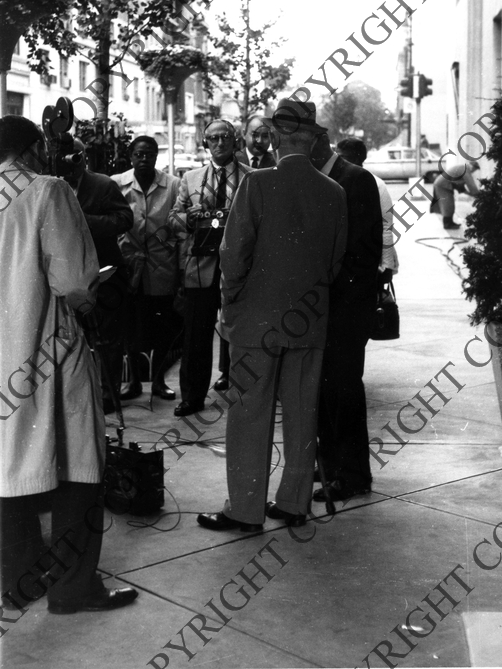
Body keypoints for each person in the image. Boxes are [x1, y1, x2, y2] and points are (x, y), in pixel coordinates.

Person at [0, 115, 137, 614]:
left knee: (8, 468)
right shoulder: (47, 191)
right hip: (46, 350)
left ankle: (20, 584)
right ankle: (73, 588)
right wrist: (88, 292)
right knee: (79, 466)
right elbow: (76, 278)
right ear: (35, 149)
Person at [196, 98, 347, 532]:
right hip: (309, 320)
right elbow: (335, 263)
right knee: (302, 411)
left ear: (277, 136)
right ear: (312, 139)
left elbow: (232, 253)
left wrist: (232, 303)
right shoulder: (333, 192)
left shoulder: (257, 183)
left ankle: (245, 510)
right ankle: (294, 503)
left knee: (249, 415)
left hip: (256, 323)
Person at [310, 132, 382, 502]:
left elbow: (360, 251)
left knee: (343, 389)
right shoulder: (316, 180)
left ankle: (351, 475)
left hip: (346, 310)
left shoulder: (355, 179)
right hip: (321, 308)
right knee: (324, 392)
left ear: (317, 143)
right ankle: (330, 468)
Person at [168, 120, 251, 416]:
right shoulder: (190, 179)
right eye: (213, 138)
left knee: (243, 332)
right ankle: (192, 396)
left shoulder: (251, 178)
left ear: (235, 141)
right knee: (196, 335)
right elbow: (173, 219)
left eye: (225, 137)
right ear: (205, 144)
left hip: (240, 267)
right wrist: (189, 219)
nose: (219, 143)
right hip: (200, 267)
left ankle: (248, 394)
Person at [63, 138, 133, 414]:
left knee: (108, 338)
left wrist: (84, 220)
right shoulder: (49, 185)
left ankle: (108, 395)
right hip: (69, 276)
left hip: (105, 275)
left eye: (75, 157)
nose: (70, 164)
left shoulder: (103, 185)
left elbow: (124, 219)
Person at [112, 136, 181, 401]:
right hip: (129, 266)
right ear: (131, 156)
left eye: (149, 155)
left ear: (156, 156)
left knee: (162, 326)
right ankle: (133, 382)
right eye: (139, 155)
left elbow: (178, 224)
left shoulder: (172, 185)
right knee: (130, 325)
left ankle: (160, 380)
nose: (144, 160)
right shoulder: (118, 183)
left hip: (161, 267)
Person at [337, 137, 399, 278]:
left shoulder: (377, 185)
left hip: (367, 261)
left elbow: (386, 226)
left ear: (359, 158)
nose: (339, 162)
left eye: (344, 157)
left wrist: (387, 266)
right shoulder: (335, 182)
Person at [430, 159, 480, 229]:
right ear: (472, 166)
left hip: (443, 185)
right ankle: (447, 224)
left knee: (449, 205)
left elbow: (461, 188)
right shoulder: (465, 169)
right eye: (474, 169)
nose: (474, 171)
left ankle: (450, 223)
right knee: (447, 205)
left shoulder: (462, 169)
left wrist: (473, 194)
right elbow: (471, 184)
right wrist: (478, 194)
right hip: (442, 185)